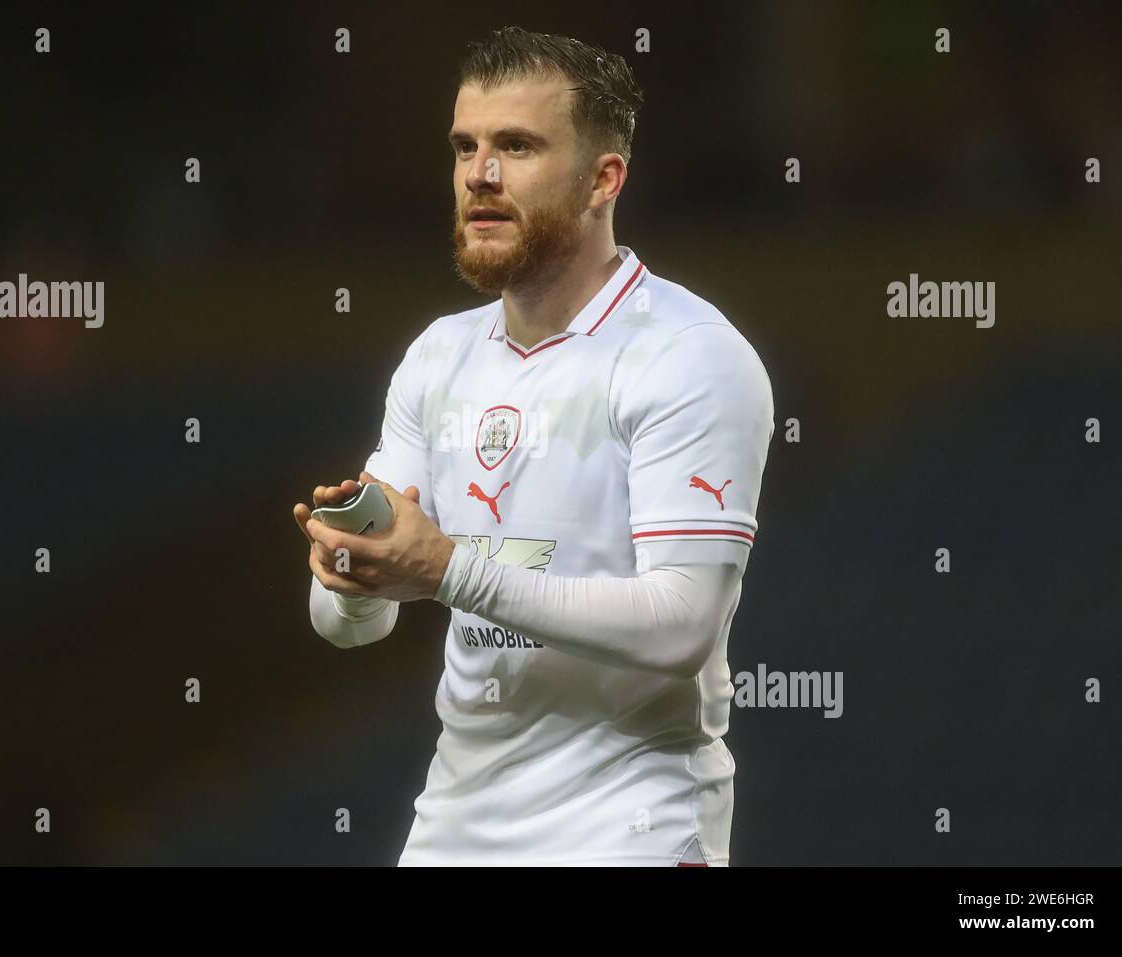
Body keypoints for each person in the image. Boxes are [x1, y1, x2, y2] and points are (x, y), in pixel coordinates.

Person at [293, 26, 774, 866]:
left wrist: (447, 569)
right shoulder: (438, 356)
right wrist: (355, 575)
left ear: (603, 178)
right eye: (465, 146)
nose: (480, 174)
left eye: (516, 146)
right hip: (455, 830)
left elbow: (682, 626)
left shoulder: (689, 352)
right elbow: (344, 626)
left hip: (631, 829)